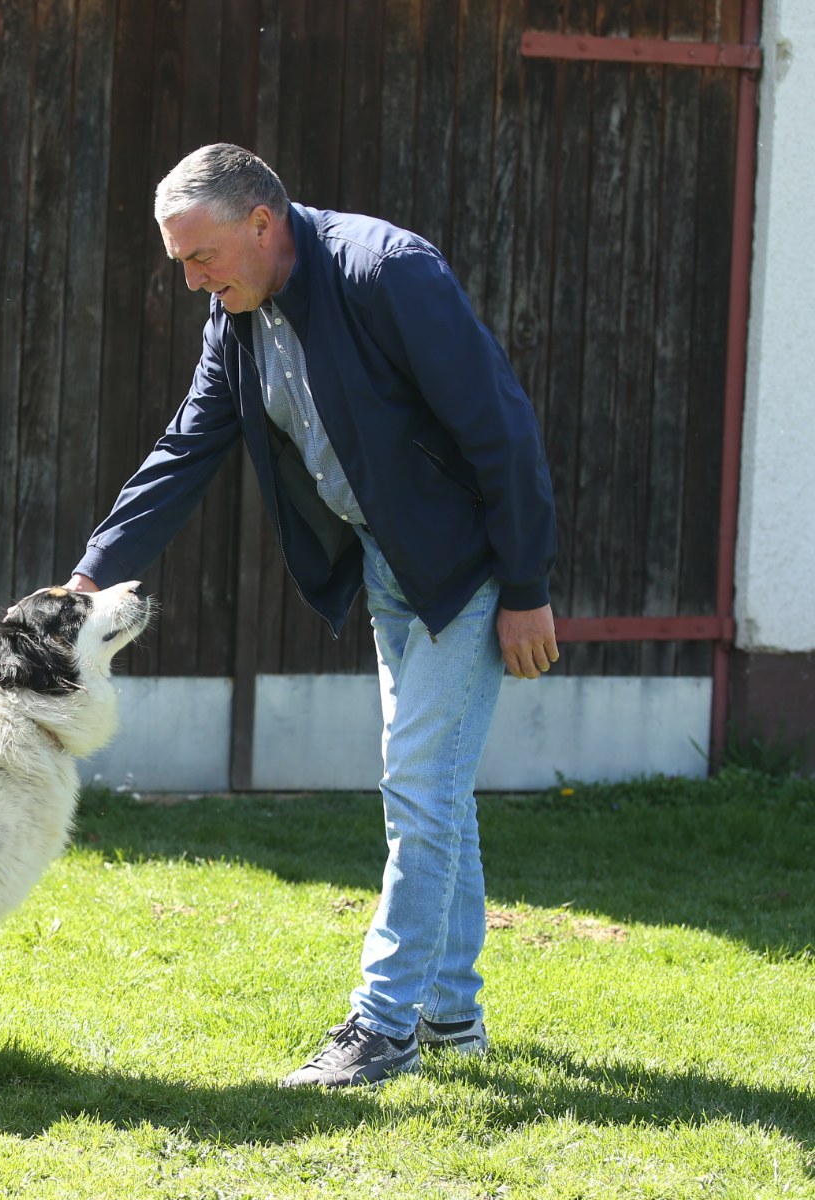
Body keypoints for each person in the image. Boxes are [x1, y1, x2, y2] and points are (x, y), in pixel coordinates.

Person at [64, 143, 559, 1088]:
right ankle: (452, 1016)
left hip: (465, 570)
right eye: (179, 263)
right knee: (433, 789)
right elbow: (184, 450)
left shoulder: (387, 272)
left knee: (417, 785)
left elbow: (502, 427)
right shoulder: (236, 319)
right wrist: (88, 580)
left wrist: (527, 586)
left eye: (200, 256)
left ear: (262, 222)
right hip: (386, 565)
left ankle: (383, 1028)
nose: (192, 280)